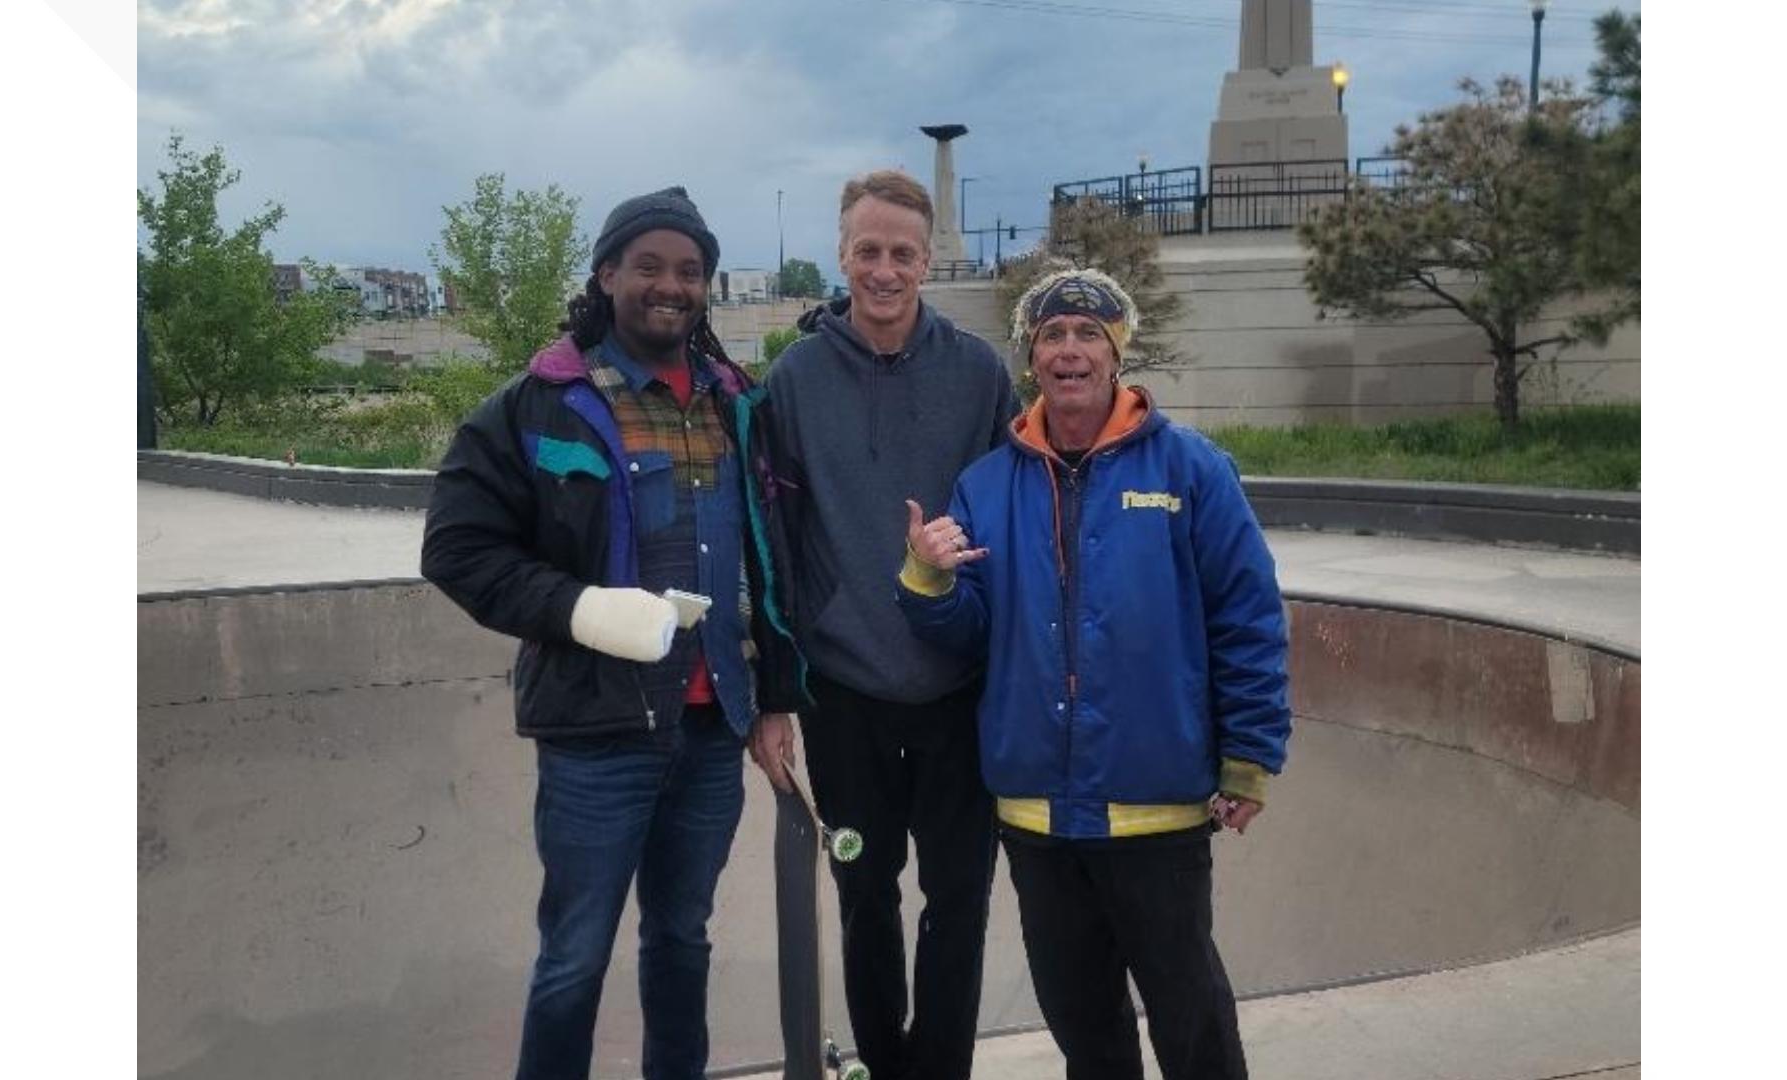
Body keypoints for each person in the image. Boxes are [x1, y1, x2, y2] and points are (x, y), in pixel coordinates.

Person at [420, 186, 806, 1080]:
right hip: (597, 735)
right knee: (574, 956)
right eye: (649, 267)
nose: (670, 286)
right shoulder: (534, 407)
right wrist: (583, 610)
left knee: (682, 941)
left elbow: (774, 556)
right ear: (606, 275)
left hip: (713, 730)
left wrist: (776, 698)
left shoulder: (735, 405)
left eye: (689, 271)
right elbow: (457, 550)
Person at [894, 267, 1292, 1080]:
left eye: (1087, 335)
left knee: (1193, 1025)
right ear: (1030, 357)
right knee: (1085, 1030)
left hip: (1158, 807)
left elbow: (1247, 615)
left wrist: (1249, 755)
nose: (1069, 351)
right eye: (1051, 335)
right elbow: (970, 633)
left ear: (1116, 356)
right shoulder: (986, 484)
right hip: (1038, 814)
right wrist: (927, 579)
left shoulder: (1190, 469)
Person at [746, 169, 1019, 1080]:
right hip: (847, 695)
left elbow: (1015, 521)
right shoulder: (795, 380)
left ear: (928, 259)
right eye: (868, 251)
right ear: (842, 255)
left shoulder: (979, 373)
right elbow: (773, 542)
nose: (886, 270)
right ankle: (882, 1066)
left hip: (955, 691)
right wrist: (775, 688)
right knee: (866, 893)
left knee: (959, 901)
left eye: (903, 253)